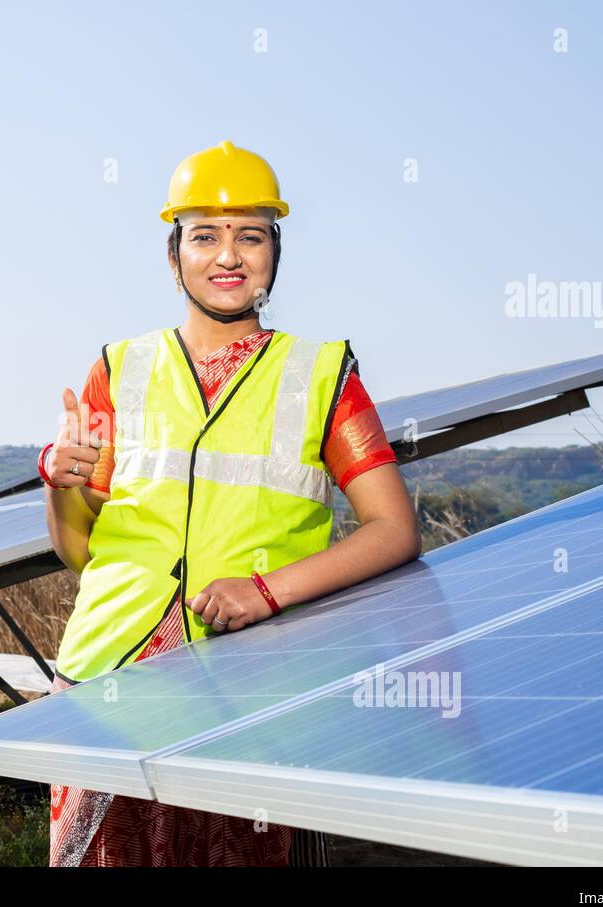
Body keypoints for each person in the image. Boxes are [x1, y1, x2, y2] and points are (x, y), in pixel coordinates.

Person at [37, 140, 423, 866]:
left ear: (276, 250)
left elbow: (394, 529)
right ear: (173, 252)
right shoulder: (116, 370)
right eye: (205, 236)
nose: (229, 256)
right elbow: (82, 554)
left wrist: (269, 591)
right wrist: (59, 490)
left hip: (256, 693)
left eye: (251, 235)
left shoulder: (324, 374)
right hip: (109, 682)